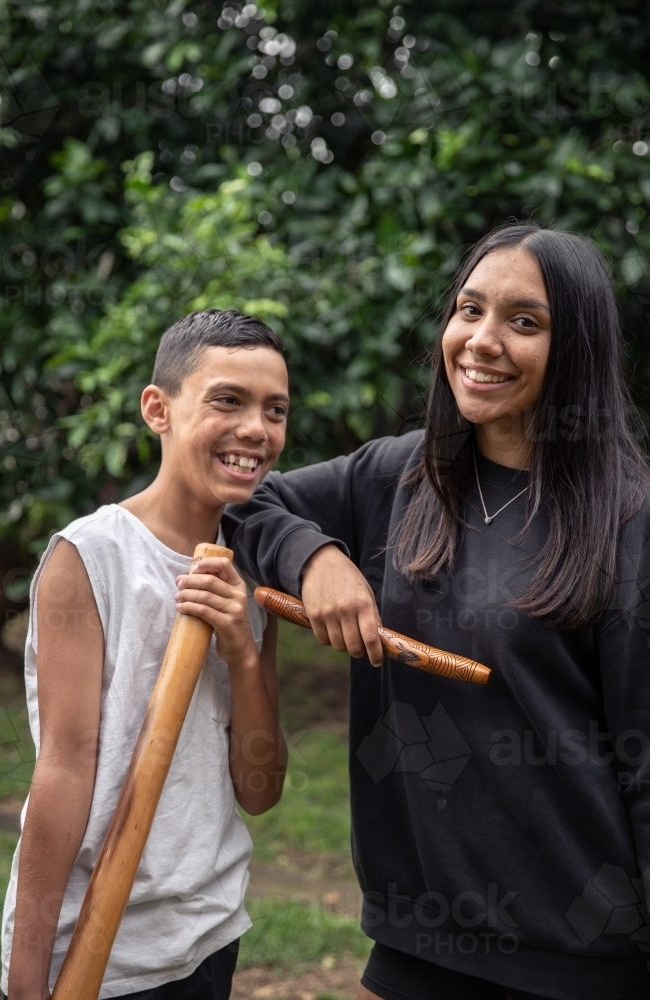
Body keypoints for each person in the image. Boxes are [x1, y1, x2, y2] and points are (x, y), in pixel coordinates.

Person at [225, 224, 650, 1000]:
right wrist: (314, 558)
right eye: (468, 310)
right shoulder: (398, 477)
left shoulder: (628, 519)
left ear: (577, 350)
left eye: (524, 321)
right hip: (415, 936)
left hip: (576, 960)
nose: (481, 341)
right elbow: (241, 502)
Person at [2, 310, 289, 1000]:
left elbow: (260, 790)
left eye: (274, 410)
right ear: (157, 409)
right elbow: (66, 768)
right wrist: (24, 974)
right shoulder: (92, 556)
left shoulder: (256, 570)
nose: (256, 429)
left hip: (206, 929)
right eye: (228, 400)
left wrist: (241, 651)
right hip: (99, 948)